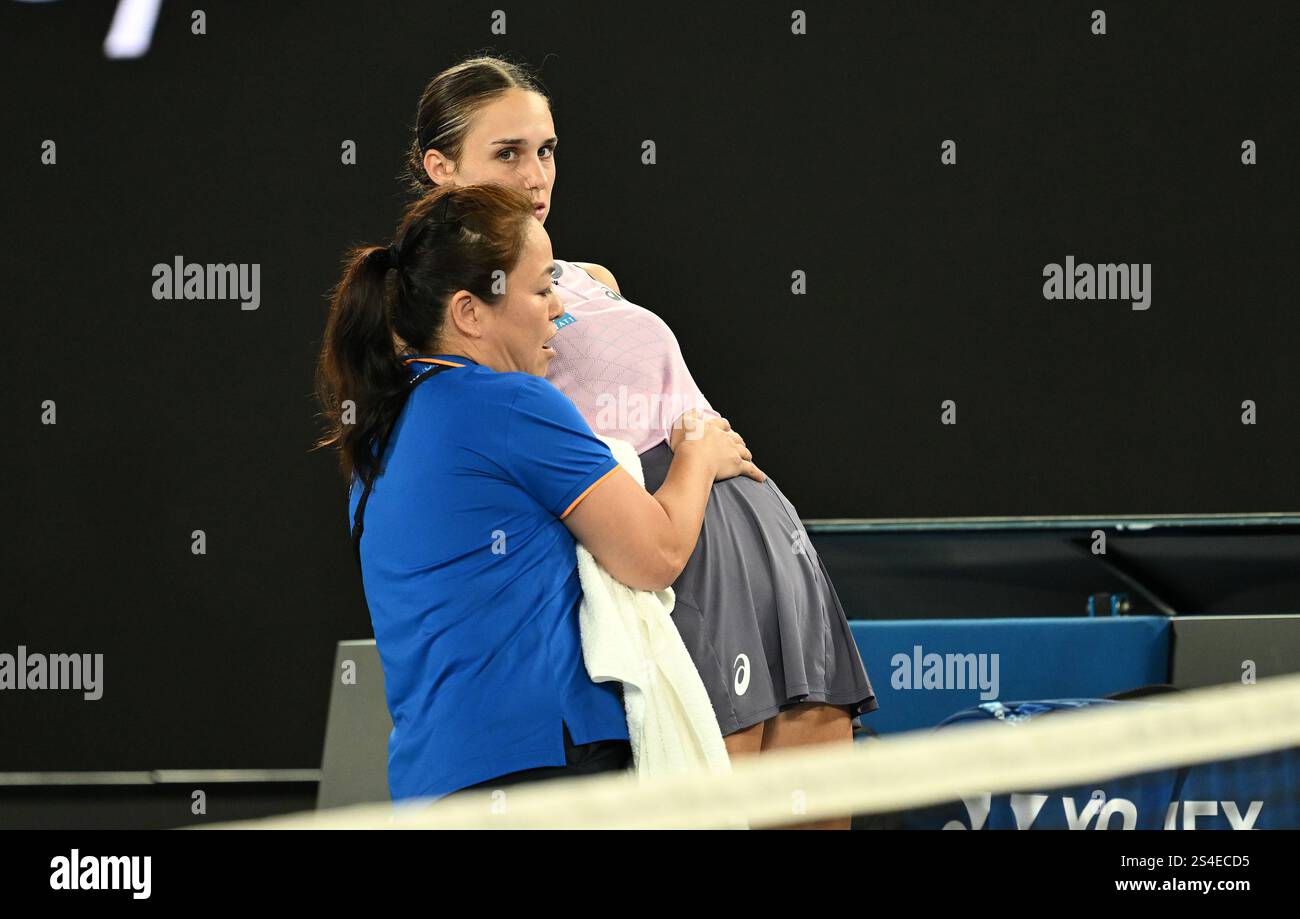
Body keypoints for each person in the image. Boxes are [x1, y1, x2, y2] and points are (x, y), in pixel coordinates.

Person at [403, 55, 878, 828]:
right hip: (666, 561)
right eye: (507, 152)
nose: (535, 175)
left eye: (547, 150)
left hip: (762, 540)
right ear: (440, 169)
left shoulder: (587, 274)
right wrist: (693, 461)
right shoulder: (435, 322)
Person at [313, 182, 763, 801]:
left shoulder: (376, 439)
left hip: (432, 791)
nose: (558, 307)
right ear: (470, 312)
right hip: (547, 774)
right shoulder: (511, 403)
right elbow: (654, 554)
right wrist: (698, 457)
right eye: (541, 287)